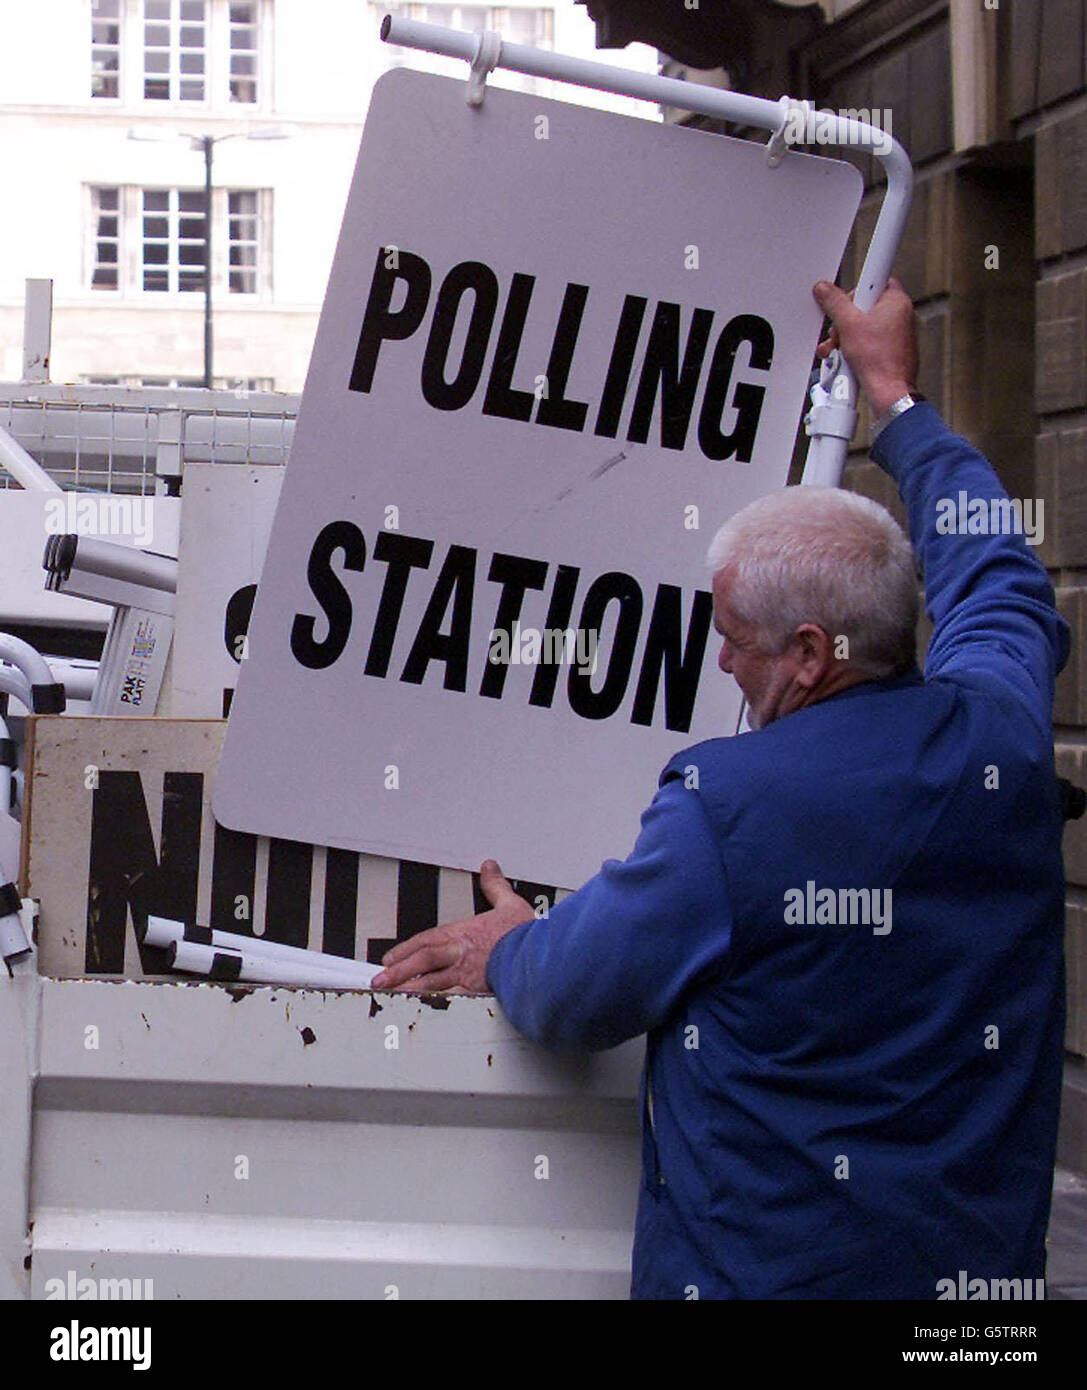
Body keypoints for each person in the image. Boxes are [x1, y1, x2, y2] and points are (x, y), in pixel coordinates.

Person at [372, 278, 1070, 1300]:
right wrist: (896, 400)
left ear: (809, 653)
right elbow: (996, 567)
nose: (724, 666)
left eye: (735, 642)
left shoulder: (726, 804)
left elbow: (577, 988)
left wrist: (510, 942)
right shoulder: (1002, 729)